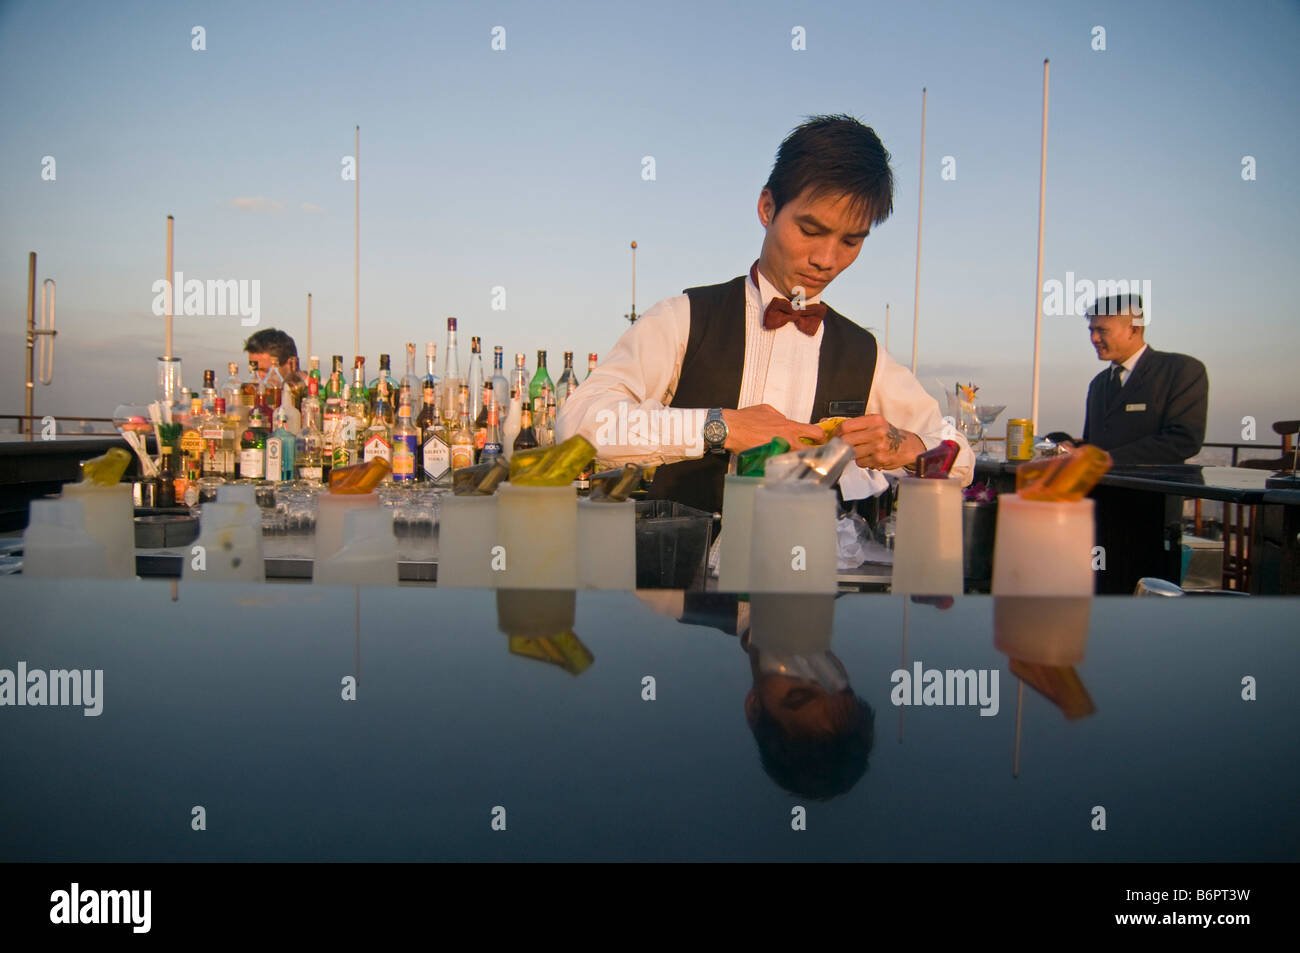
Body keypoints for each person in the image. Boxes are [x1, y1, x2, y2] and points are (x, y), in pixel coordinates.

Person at [557, 115, 972, 514]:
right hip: (680, 575)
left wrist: (906, 446)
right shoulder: (683, 319)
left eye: (850, 241)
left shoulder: (865, 354)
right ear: (767, 207)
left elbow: (960, 456)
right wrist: (722, 428)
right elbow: (578, 425)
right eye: (810, 231)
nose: (826, 260)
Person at [1058, 293, 1208, 464]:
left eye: (1102, 330)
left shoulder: (1180, 370)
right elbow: (1096, 442)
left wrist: (1109, 459)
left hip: (1154, 488)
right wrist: (1075, 447)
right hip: (1102, 488)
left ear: (1134, 329)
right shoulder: (1098, 384)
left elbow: (1184, 440)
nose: (1094, 338)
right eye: (1092, 330)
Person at [243, 328, 305, 405]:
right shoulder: (265, 396)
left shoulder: (318, 393)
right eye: (253, 370)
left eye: (265, 371)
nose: (257, 378)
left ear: (290, 365)